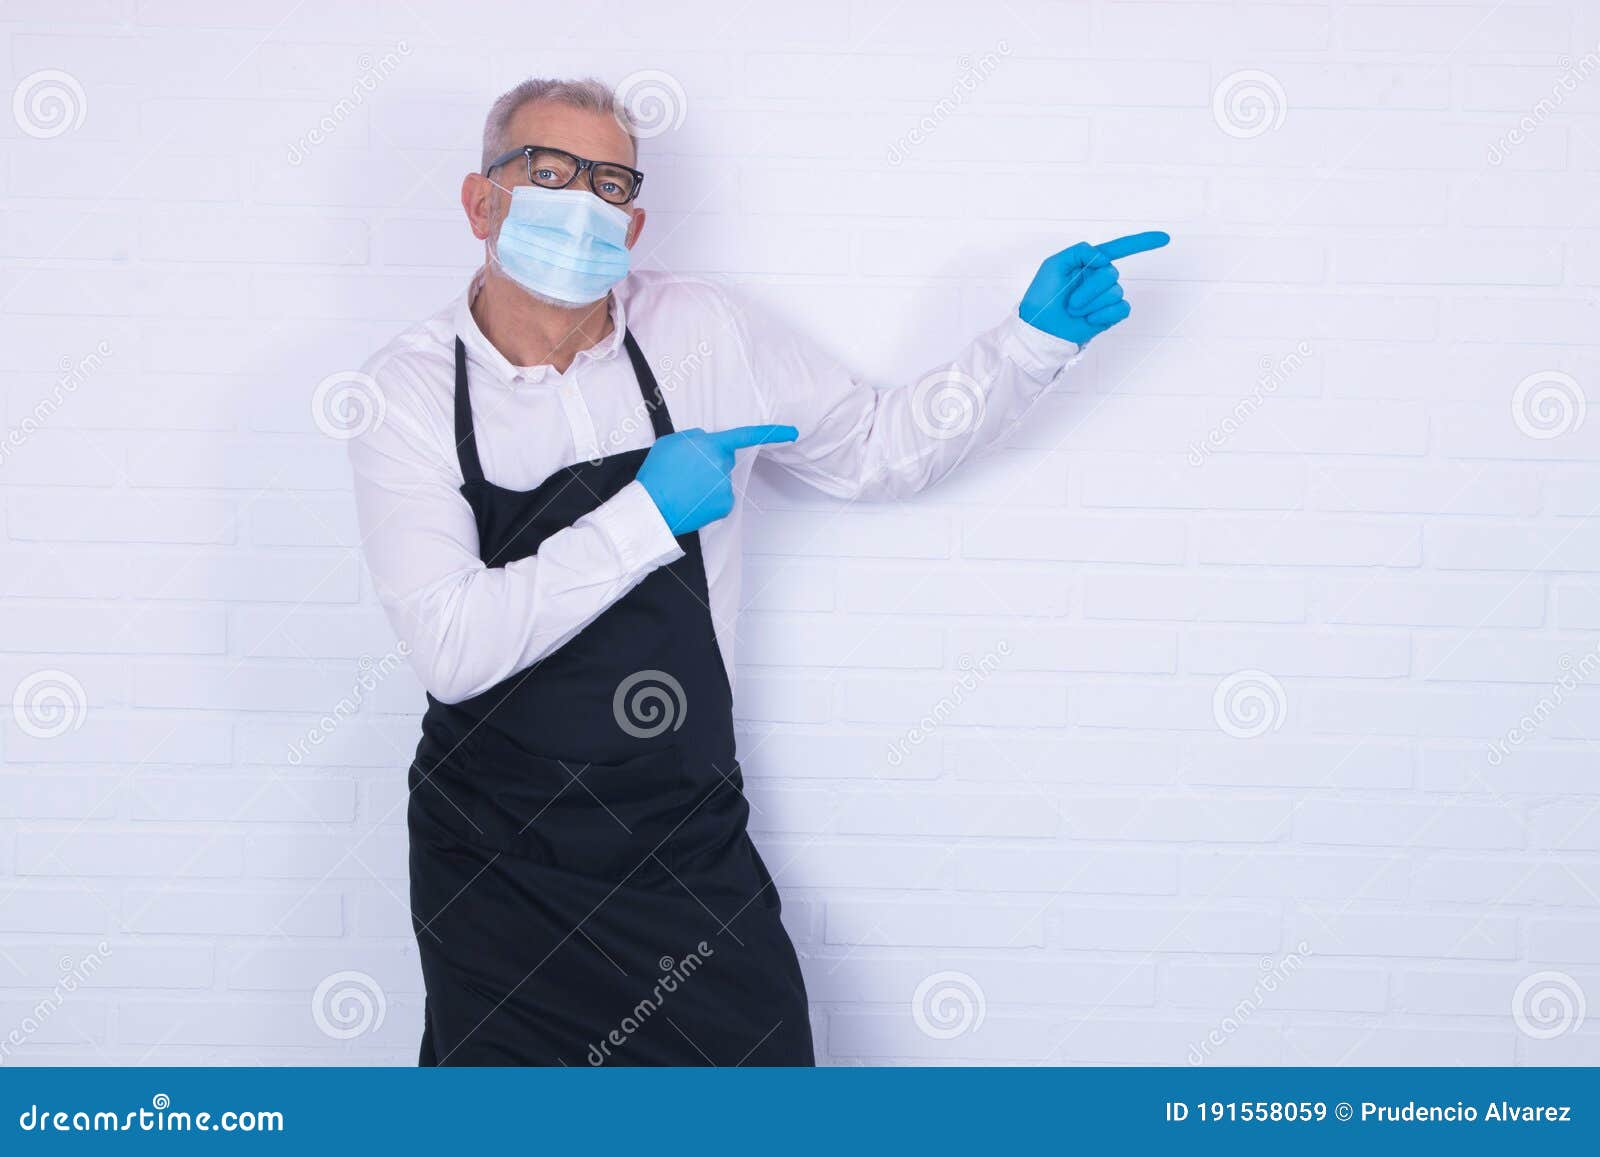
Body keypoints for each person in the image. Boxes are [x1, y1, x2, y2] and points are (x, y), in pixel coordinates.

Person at [347, 76, 1168, 1067]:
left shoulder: (704, 333)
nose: (579, 199)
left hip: (675, 827)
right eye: (549, 171)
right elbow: (454, 645)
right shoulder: (407, 387)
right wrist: (647, 511)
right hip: (494, 850)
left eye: (606, 181)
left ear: (634, 219)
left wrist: (1031, 343)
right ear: (483, 202)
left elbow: (873, 448)